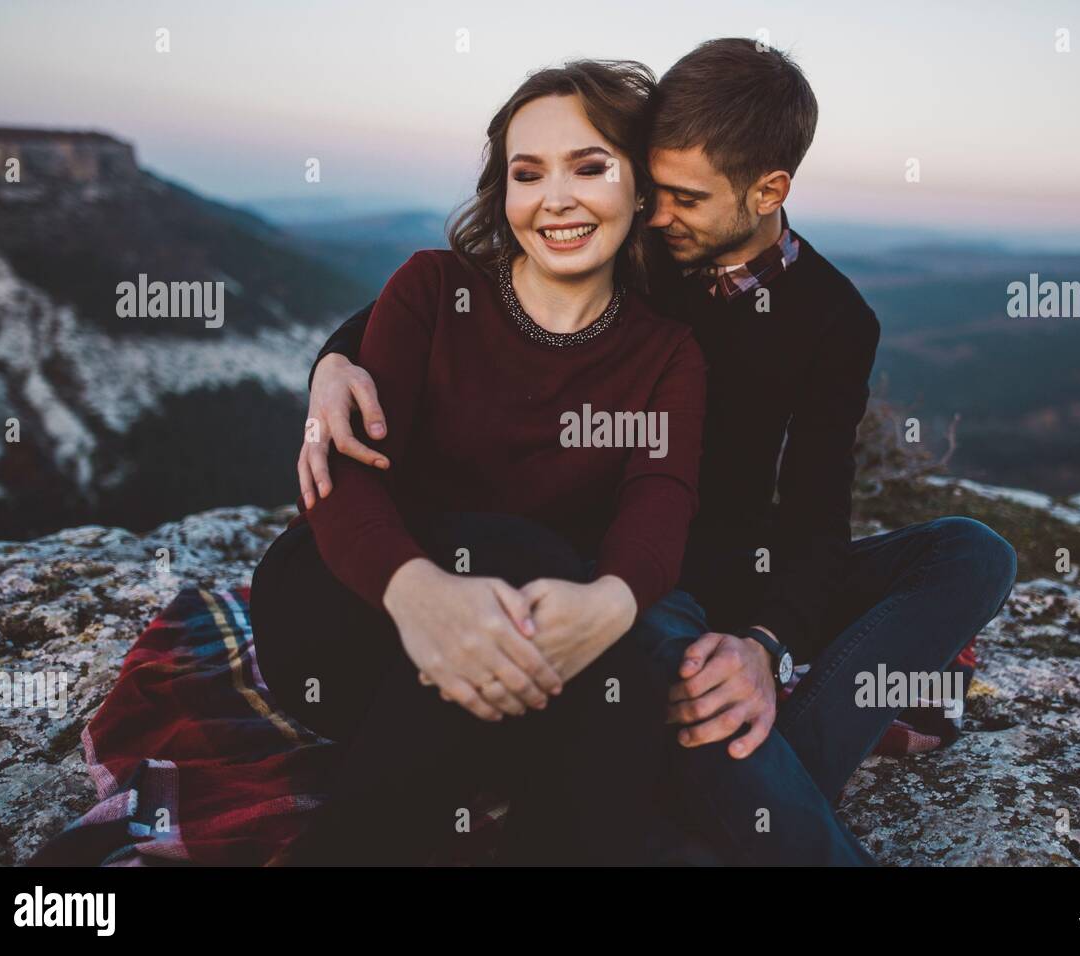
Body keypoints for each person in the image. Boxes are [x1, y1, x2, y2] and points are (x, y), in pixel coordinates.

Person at [301, 39, 1018, 865]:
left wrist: (764, 642)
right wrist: (336, 358)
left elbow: (818, 509)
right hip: (633, 566)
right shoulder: (642, 252)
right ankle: (762, 806)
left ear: (769, 190)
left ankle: (759, 762)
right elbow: (472, 294)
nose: (657, 210)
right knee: (661, 642)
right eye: (653, 187)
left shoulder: (833, 319)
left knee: (973, 553)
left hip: (738, 566)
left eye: (683, 196)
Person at [250, 59, 708, 865]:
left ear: (642, 192)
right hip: (351, 610)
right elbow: (346, 473)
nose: (555, 197)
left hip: (519, 645)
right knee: (530, 556)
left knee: (622, 682)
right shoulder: (432, 289)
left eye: (590, 166)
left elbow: (660, 500)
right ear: (504, 195)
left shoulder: (668, 352)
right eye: (527, 173)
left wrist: (612, 602)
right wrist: (418, 593)